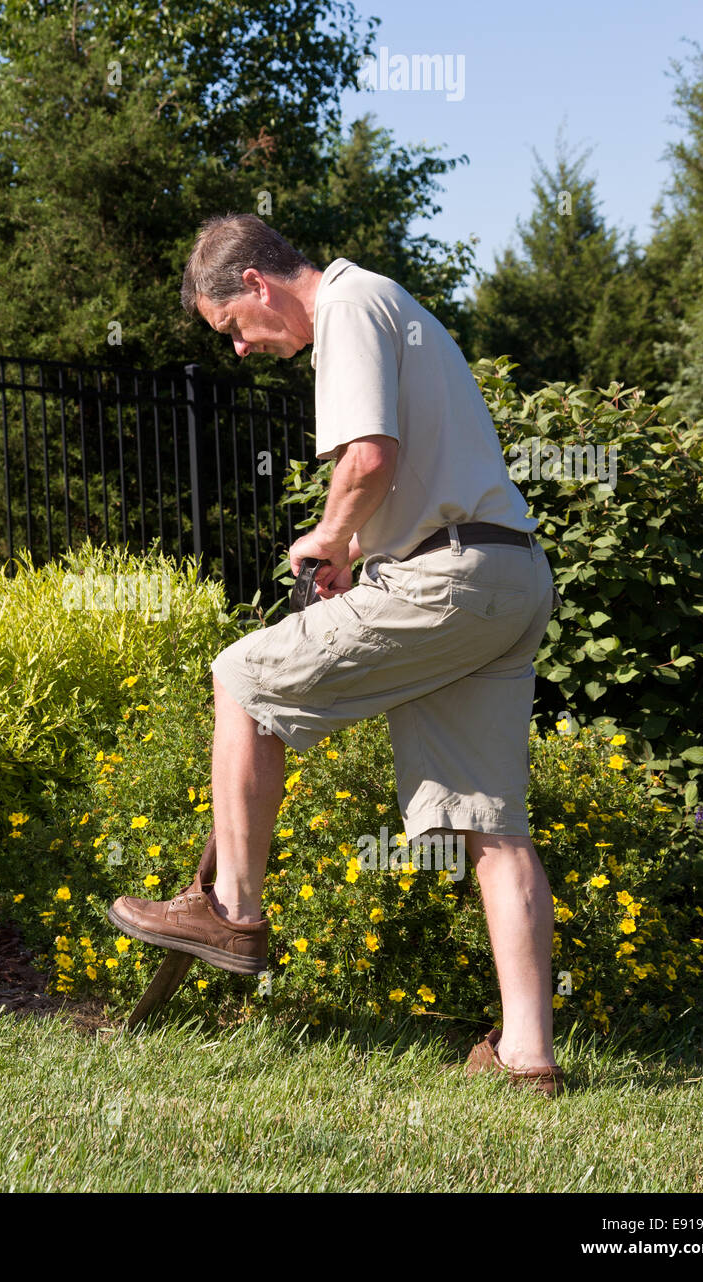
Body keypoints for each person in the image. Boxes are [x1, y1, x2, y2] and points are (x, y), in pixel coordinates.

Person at [108, 213, 566, 1096]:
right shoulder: (396, 305)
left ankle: (231, 913)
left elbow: (368, 455)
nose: (239, 348)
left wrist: (330, 538)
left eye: (232, 328)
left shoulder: (351, 304)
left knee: (241, 675)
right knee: (491, 820)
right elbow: (404, 467)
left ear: (256, 283)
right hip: (506, 575)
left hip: (447, 577)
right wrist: (366, 553)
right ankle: (527, 1055)